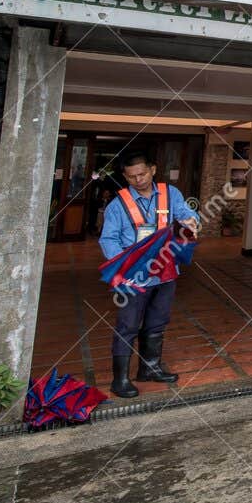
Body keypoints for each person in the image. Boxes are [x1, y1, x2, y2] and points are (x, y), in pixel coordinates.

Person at [98, 150, 200, 398]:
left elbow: (188, 215)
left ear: (153, 169)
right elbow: (108, 239)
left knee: (157, 321)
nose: (138, 180)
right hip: (134, 276)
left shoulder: (170, 194)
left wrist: (191, 221)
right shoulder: (117, 204)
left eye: (142, 174)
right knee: (128, 325)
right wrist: (123, 270)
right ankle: (119, 379)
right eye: (131, 177)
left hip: (165, 270)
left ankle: (150, 368)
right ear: (124, 176)